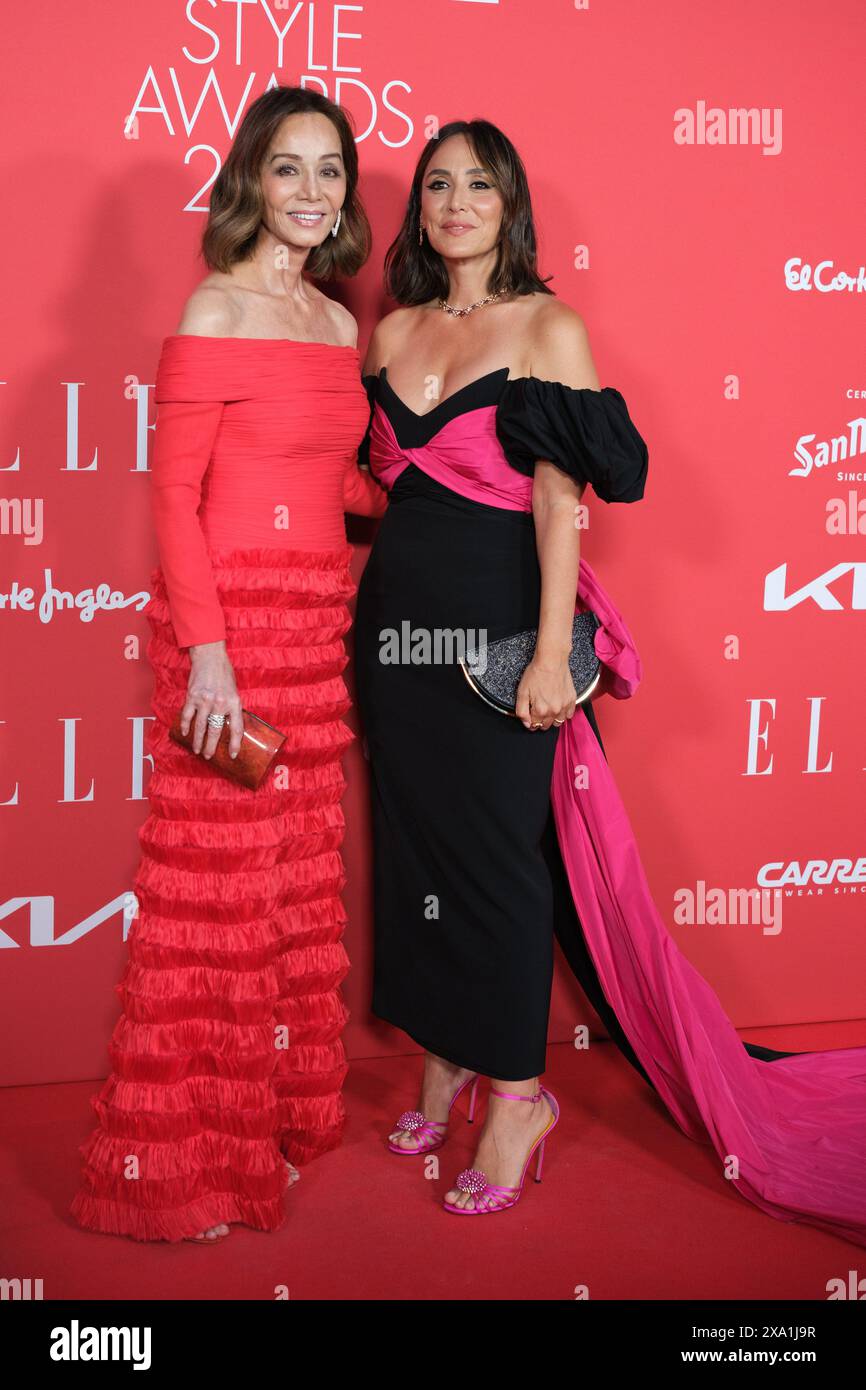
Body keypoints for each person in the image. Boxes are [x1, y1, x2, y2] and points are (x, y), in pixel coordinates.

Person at [352, 119, 866, 1243]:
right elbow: (386, 489)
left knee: (490, 860)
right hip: (394, 629)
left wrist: (548, 651)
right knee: (414, 849)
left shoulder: (549, 326)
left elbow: (554, 504)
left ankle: (517, 1099)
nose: (451, 202)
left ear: (508, 203)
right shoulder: (388, 328)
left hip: (495, 632)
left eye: (475, 186)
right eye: (435, 185)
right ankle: (442, 1065)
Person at [70, 86, 386, 1244]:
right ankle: (185, 1164)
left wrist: (440, 474)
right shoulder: (215, 306)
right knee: (211, 899)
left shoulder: (337, 326)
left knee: (288, 893)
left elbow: (342, 485)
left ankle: (265, 1122)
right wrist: (207, 656)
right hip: (232, 636)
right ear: (250, 179)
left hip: (315, 630)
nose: (313, 193)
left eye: (331, 173)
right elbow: (174, 493)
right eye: (290, 169)